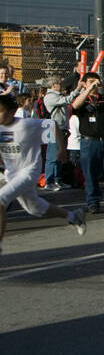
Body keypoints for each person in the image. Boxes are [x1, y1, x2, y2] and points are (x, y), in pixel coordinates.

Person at [0, 94, 85, 254]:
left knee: (0, 199)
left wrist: (61, 148)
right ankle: (74, 217)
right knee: (34, 208)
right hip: (11, 174)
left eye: (1, 111)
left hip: (28, 172)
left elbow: (52, 124)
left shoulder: (26, 125)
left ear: (12, 112)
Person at [68, 71, 104, 214]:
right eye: (91, 81)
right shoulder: (82, 100)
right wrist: (87, 89)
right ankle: (93, 203)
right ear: (85, 83)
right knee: (90, 174)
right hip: (89, 142)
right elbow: (75, 106)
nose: (95, 84)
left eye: (96, 81)